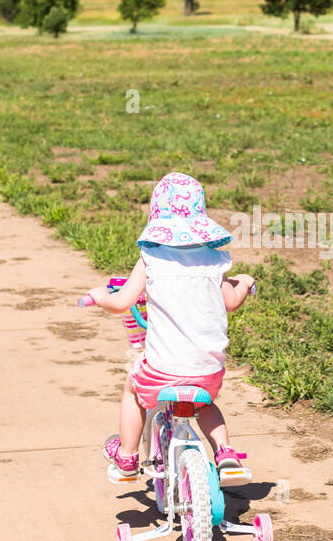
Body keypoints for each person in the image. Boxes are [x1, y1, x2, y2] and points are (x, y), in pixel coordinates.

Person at [87, 172, 255, 478]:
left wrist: (99, 297)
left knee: (134, 390)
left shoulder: (151, 257)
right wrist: (243, 283)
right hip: (208, 369)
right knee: (205, 405)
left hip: (162, 370)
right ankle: (225, 452)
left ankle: (126, 456)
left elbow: (123, 301)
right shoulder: (214, 261)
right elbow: (231, 301)